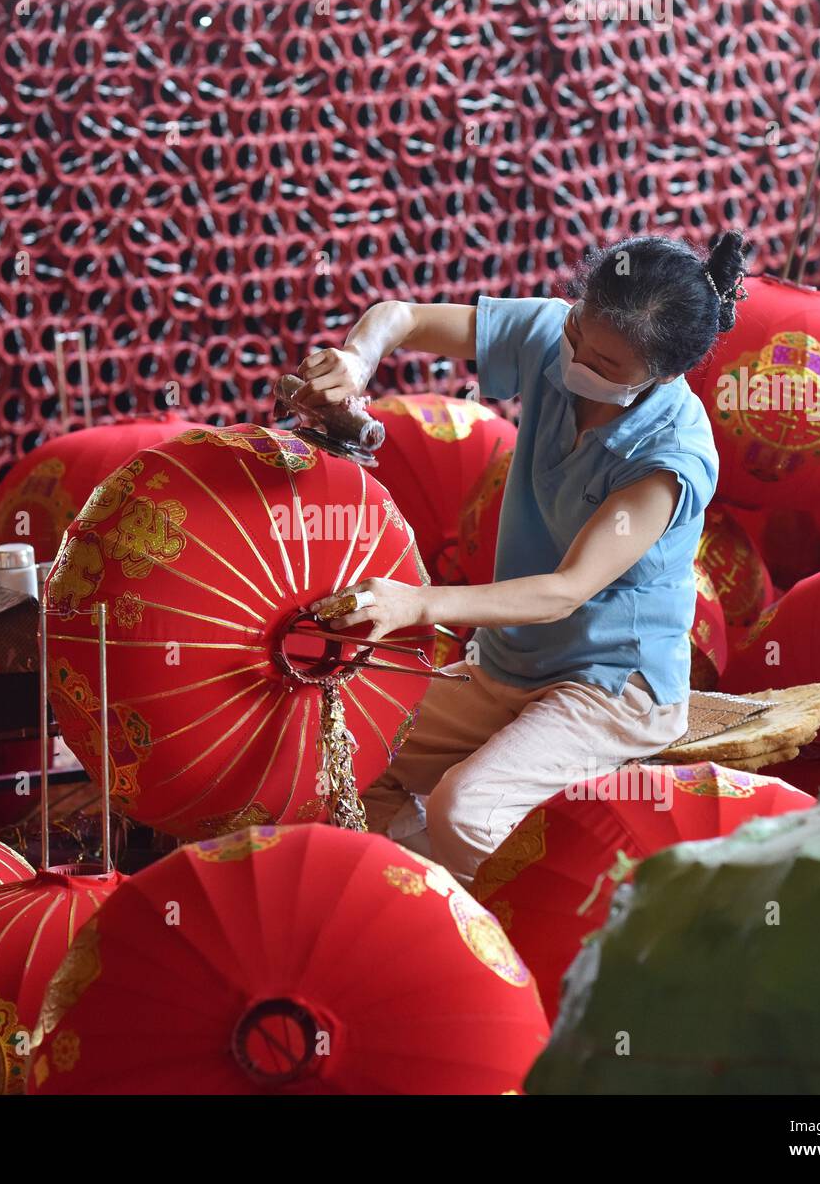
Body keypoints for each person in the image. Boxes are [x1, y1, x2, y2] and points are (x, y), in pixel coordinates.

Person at [301, 231, 745, 887]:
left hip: (612, 683)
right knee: (350, 750)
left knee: (464, 810)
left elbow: (565, 590)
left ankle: (536, 947)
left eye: (609, 364)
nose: (580, 361)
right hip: (512, 662)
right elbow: (403, 315)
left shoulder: (668, 456)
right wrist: (357, 360)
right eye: (579, 335)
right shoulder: (556, 337)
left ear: (666, 372)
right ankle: (395, 911)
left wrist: (417, 602)